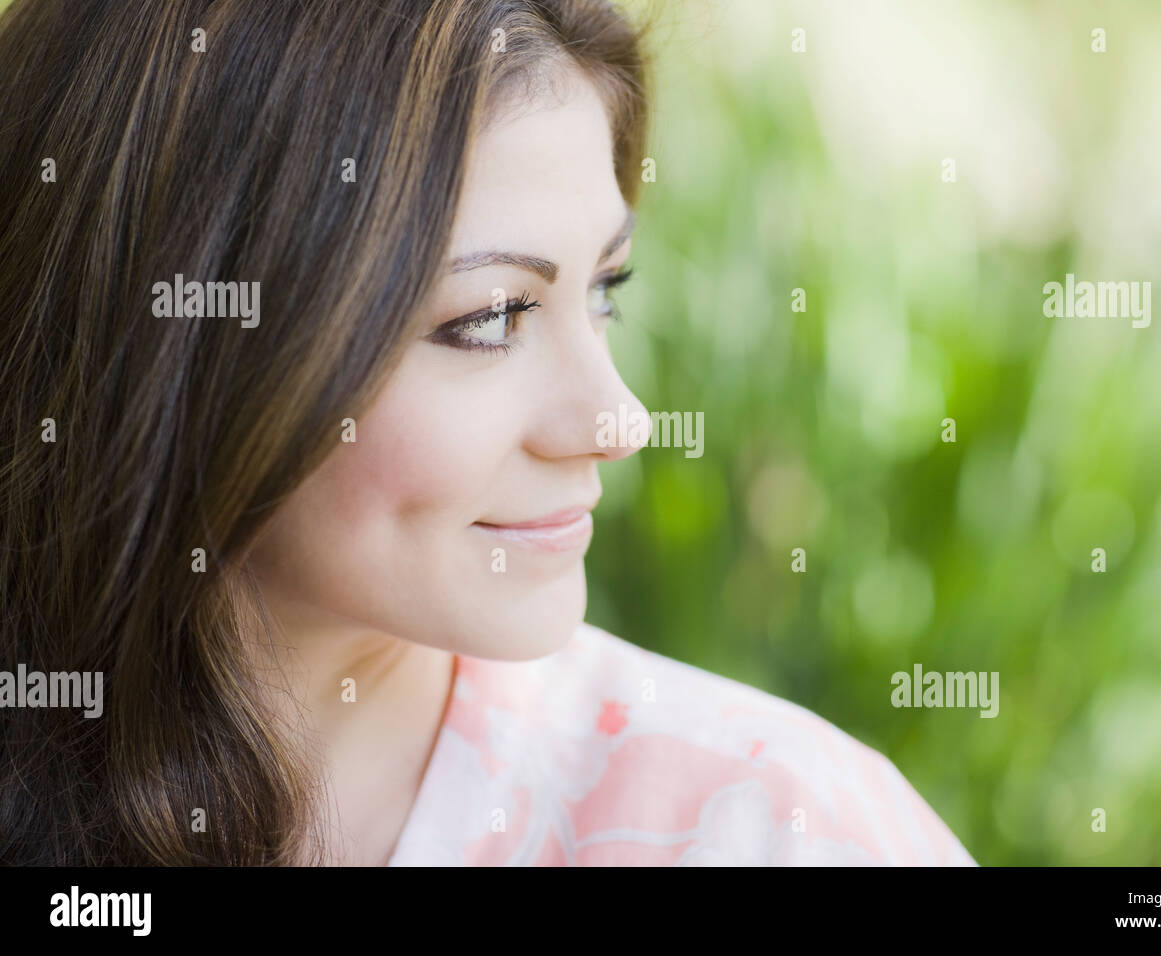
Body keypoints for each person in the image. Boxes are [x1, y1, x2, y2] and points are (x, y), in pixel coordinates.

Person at [0, 0, 974, 866]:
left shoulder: (775, 825)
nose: (618, 419)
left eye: (604, 290)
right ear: (178, 333)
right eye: (491, 317)